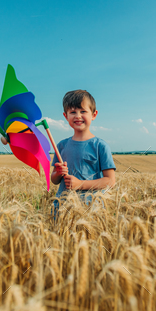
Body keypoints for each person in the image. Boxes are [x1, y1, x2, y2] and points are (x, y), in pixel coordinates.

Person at [51, 90, 116, 223]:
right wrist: (58, 173)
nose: (78, 116)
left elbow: (110, 181)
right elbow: (54, 180)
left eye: (83, 111)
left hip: (91, 211)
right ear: (65, 116)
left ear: (94, 114)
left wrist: (80, 184)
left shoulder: (100, 146)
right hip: (63, 209)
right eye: (73, 112)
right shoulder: (61, 146)